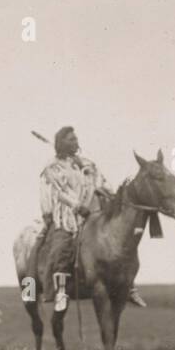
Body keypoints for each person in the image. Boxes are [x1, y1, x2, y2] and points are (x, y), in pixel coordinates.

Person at [39, 126, 147, 312]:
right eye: (71, 139)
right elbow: (60, 192)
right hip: (68, 217)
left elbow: (102, 182)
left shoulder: (88, 164)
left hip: (94, 214)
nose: (76, 142)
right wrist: (77, 206)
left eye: (76, 139)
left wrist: (112, 195)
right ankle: (61, 292)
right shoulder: (52, 167)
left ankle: (129, 286)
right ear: (61, 143)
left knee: (118, 243)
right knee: (62, 248)